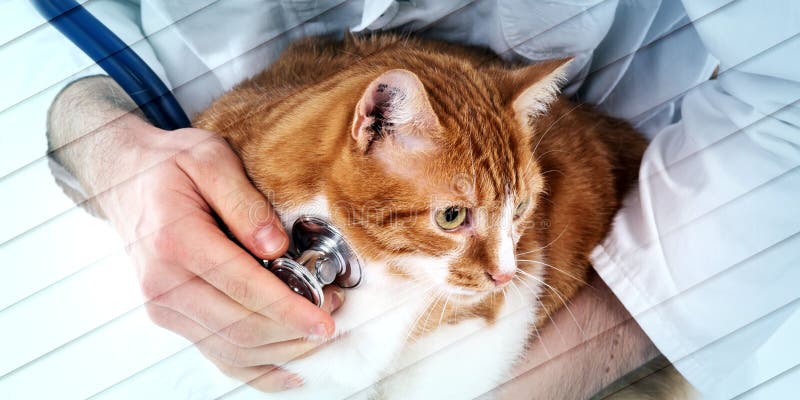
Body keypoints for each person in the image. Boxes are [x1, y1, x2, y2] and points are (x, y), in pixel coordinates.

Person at [40, 0, 799, 398]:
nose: (502, 268)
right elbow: (66, 26)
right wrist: (116, 157)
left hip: (635, 264)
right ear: (370, 122)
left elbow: (788, 94)